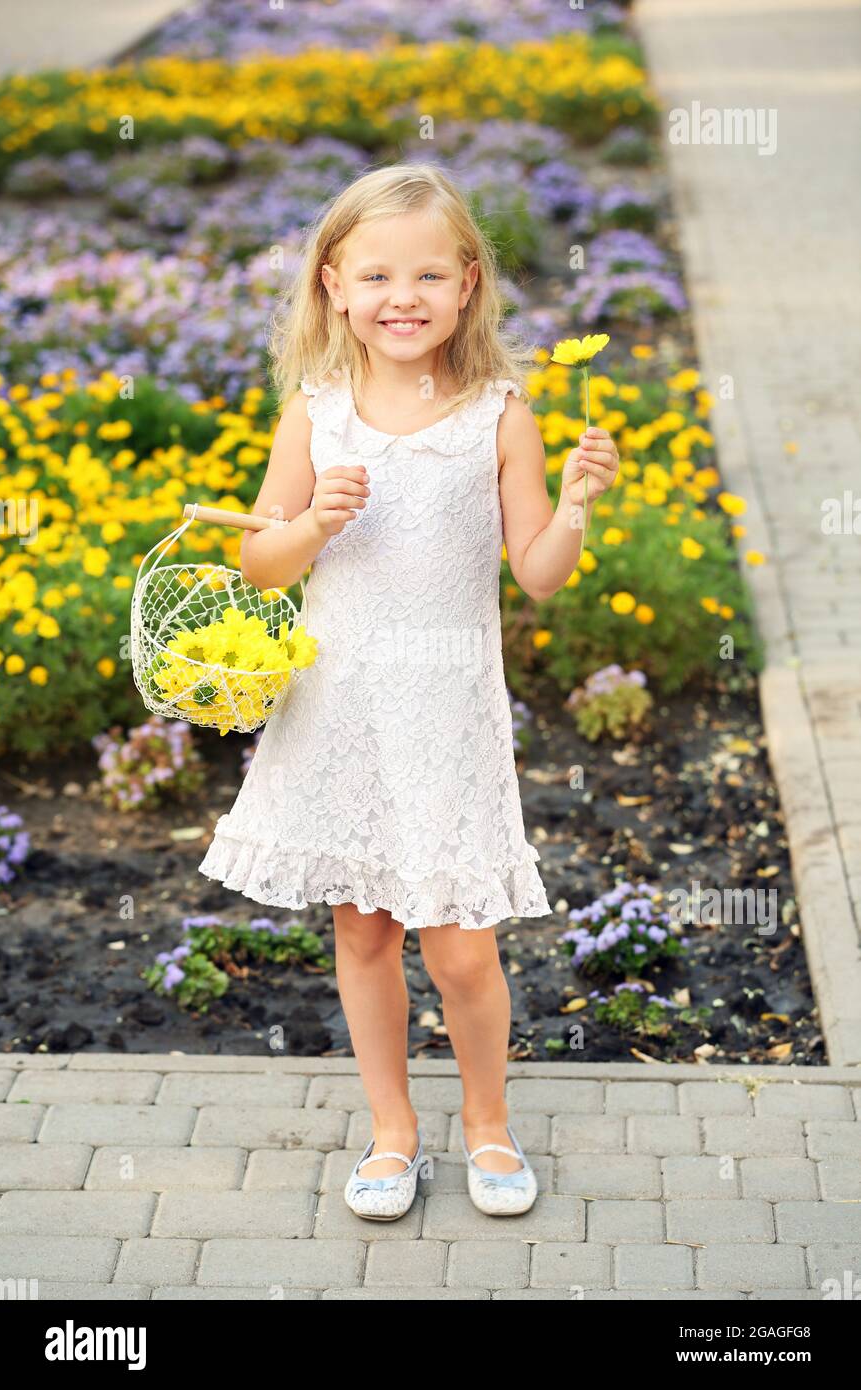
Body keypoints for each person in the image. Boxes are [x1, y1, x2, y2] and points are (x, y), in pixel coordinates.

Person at [199, 162, 619, 1219]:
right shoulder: (317, 413)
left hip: (444, 713)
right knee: (363, 929)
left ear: (467, 285)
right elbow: (261, 563)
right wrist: (311, 525)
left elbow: (534, 570)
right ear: (334, 284)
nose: (404, 296)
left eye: (429, 273)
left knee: (460, 945)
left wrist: (572, 505)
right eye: (377, 273)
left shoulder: (495, 414)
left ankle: (488, 1122)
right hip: (342, 709)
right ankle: (393, 1128)